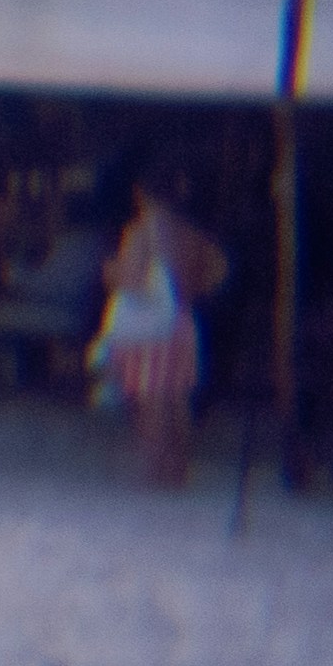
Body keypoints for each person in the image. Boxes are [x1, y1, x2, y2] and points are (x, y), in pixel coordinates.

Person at [92, 179, 227, 489]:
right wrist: (192, 290)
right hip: (181, 322)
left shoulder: (141, 232)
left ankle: (155, 469)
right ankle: (178, 469)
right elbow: (220, 268)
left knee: (150, 400)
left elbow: (133, 279)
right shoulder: (188, 232)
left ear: (143, 195)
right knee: (177, 399)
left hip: (148, 328)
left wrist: (111, 273)